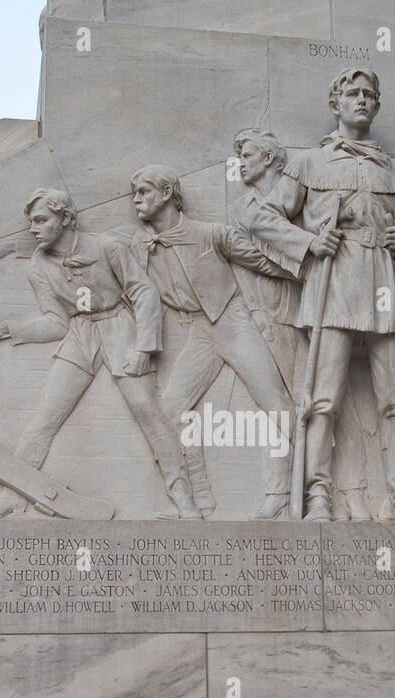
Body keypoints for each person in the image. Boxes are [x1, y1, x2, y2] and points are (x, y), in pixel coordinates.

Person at [248, 67, 395, 521]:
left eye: (368, 94)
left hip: (386, 285)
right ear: (335, 104)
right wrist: (307, 243)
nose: (361, 100)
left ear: (377, 105)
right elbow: (262, 217)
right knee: (323, 398)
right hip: (332, 287)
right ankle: (317, 493)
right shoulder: (308, 163)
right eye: (352, 94)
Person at [0, 187, 202, 519]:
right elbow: (55, 323)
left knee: (149, 413)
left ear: (66, 218)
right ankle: (12, 496)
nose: (33, 229)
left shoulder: (107, 247)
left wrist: (144, 346)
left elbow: (143, 292)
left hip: (120, 328)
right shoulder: (38, 266)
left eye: (41, 220)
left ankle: (183, 499)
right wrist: (5, 330)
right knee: (43, 418)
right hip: (80, 333)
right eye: (31, 222)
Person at [128, 164, 294, 519]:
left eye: (143, 191)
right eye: (134, 194)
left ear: (168, 193)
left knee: (275, 402)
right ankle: (199, 496)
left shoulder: (213, 234)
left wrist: (311, 263)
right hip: (200, 330)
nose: (136, 200)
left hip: (234, 322)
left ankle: (286, 491)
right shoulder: (140, 246)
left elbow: (265, 262)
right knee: (171, 411)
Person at [229, 129, 379, 520]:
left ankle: (347, 492)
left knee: (325, 402)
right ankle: (286, 491)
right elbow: (248, 253)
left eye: (248, 154)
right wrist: (308, 252)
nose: (240, 162)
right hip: (272, 311)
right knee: (299, 406)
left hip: (320, 306)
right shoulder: (245, 208)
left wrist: (317, 246)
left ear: (271, 158)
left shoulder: (307, 189)